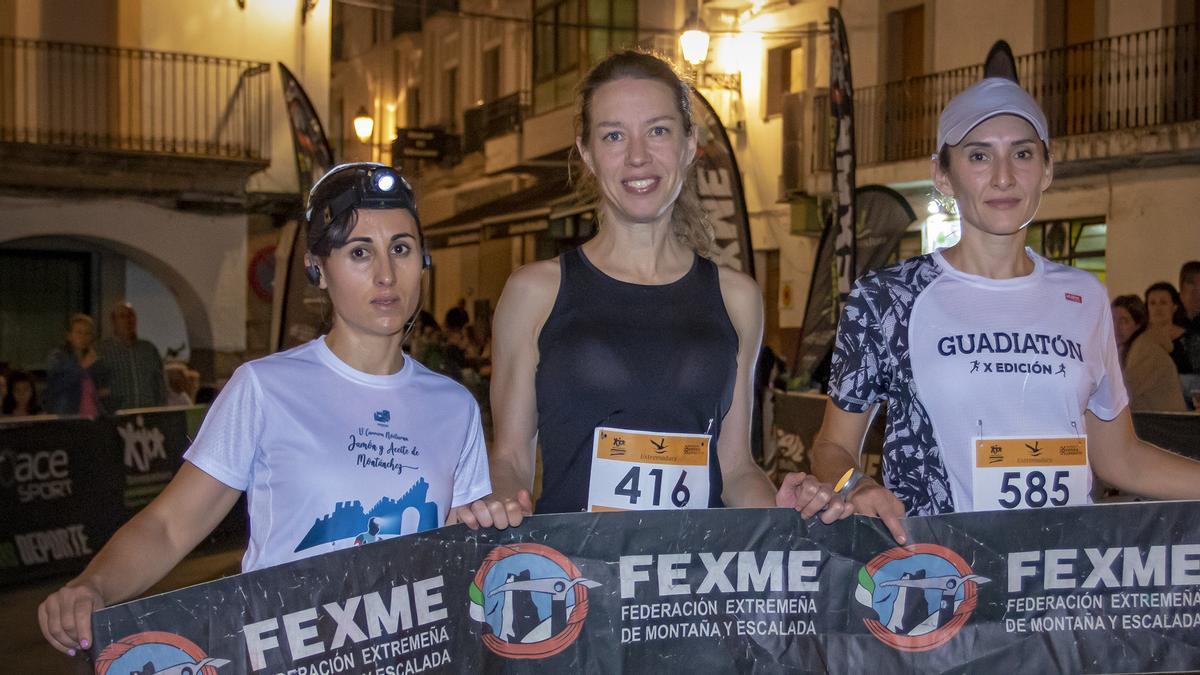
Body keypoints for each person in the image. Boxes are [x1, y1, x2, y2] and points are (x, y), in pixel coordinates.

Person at [38, 162, 493, 657]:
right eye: (360, 252)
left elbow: (459, 555)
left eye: (401, 249)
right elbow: (170, 526)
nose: (386, 274)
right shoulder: (265, 388)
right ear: (318, 268)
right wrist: (93, 586)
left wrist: (497, 522)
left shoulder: (454, 407)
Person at [810, 77, 1200, 541]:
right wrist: (855, 483)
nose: (1003, 176)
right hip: (943, 576)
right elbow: (832, 446)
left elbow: (1120, 459)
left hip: (1058, 576)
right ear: (942, 174)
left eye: (1022, 153)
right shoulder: (888, 298)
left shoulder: (1084, 296)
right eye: (978, 156)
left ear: (1047, 169)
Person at [470, 51, 846, 531]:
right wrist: (500, 501)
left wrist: (786, 508)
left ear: (690, 144)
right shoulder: (535, 292)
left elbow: (735, 469)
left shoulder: (737, 298)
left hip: (694, 587)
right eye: (613, 135)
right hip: (579, 584)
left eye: (658, 130)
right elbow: (511, 463)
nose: (638, 156)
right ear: (586, 152)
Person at [1111, 295, 1186, 411]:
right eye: (1113, 319)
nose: (1116, 327)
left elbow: (1121, 394)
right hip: (1150, 423)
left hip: (1164, 426)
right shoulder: (1126, 348)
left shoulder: (1147, 349)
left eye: (1124, 320)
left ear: (1138, 325)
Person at [97, 302, 166, 411]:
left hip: (149, 415)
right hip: (117, 417)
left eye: (131, 315)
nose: (128, 320)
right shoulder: (103, 351)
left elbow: (160, 383)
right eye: (123, 316)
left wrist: (162, 408)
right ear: (114, 322)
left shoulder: (148, 349)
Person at [45, 314, 109, 417]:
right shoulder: (58, 356)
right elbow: (56, 385)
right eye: (79, 332)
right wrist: (82, 366)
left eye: (88, 333)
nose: (83, 337)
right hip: (68, 417)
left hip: (93, 417)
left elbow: (100, 390)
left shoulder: (95, 359)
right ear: (69, 335)